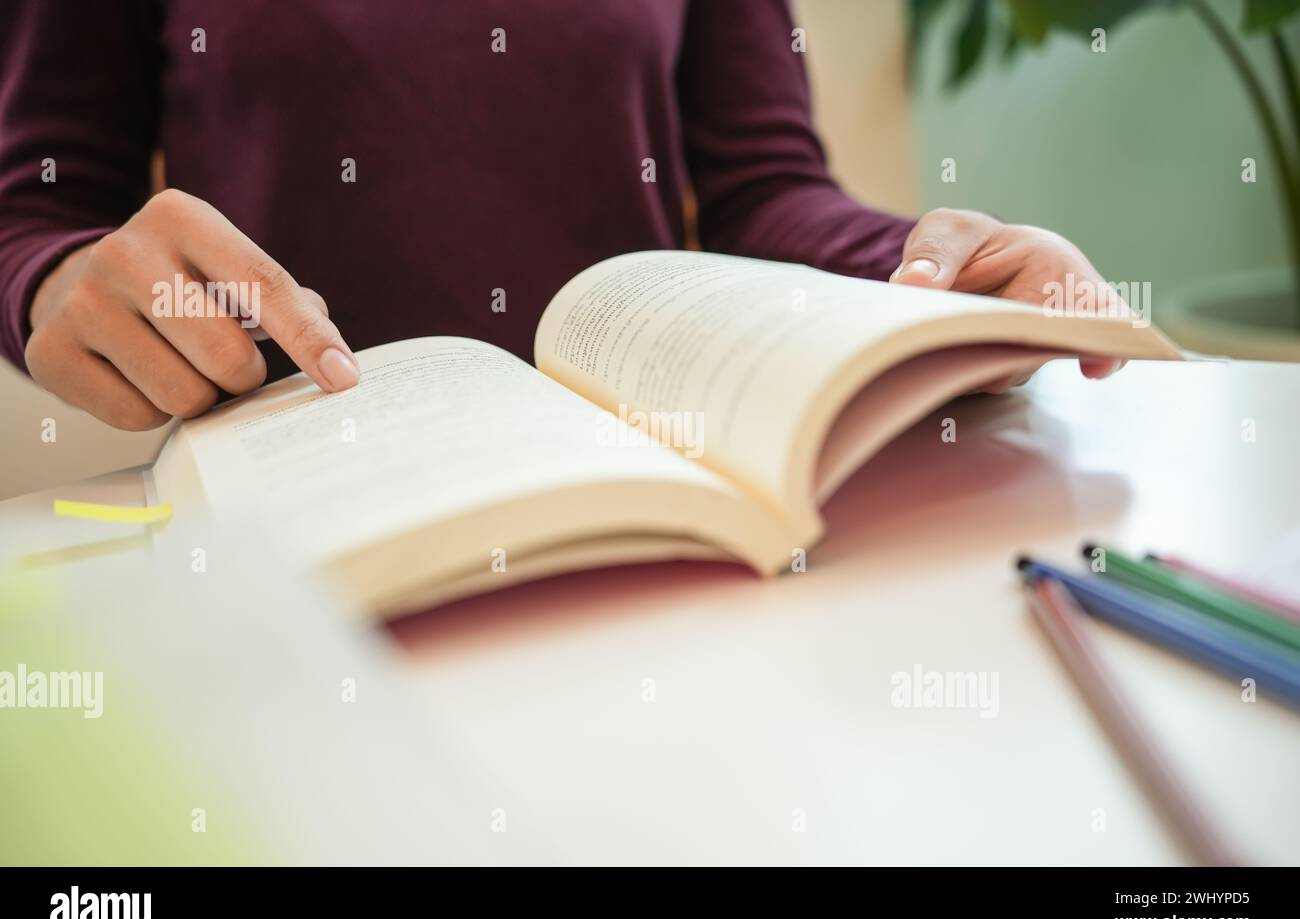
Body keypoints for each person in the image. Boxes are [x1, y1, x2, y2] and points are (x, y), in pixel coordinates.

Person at [0, 0, 1122, 432]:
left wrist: (928, 278)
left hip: (644, 498)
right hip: (295, 517)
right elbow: (32, 210)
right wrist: (55, 283)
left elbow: (765, 188)